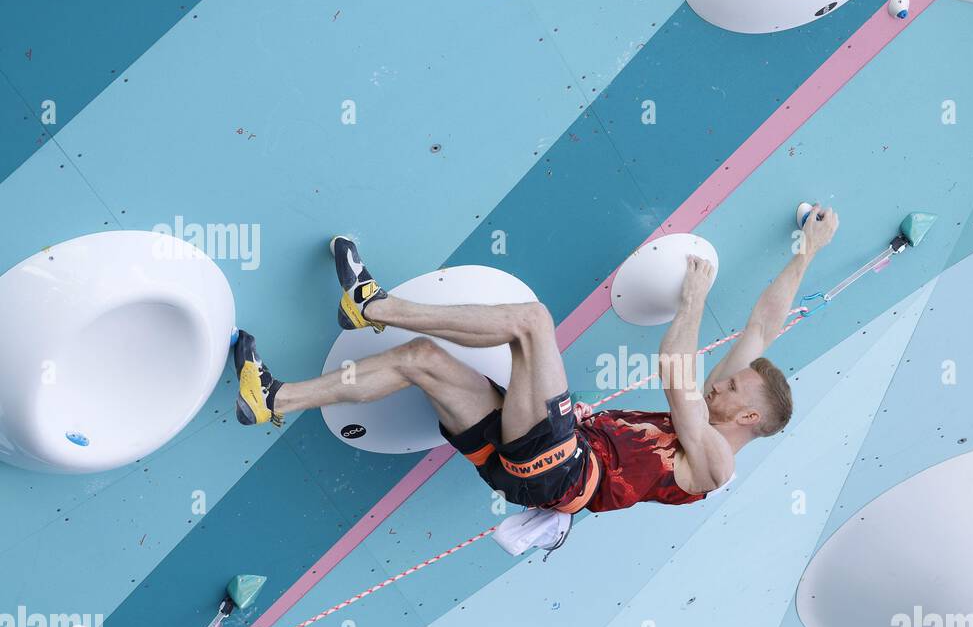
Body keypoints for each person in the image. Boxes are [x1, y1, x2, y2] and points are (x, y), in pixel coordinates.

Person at [234, 205, 839, 514]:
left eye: (732, 389)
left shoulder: (715, 462)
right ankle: (271, 397)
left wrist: (693, 302)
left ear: (750, 420)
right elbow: (762, 328)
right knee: (421, 360)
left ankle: (374, 306)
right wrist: (807, 251)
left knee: (532, 322)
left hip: (564, 467)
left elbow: (678, 378)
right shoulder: (724, 414)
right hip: (538, 461)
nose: (720, 386)